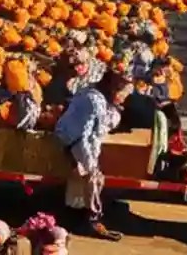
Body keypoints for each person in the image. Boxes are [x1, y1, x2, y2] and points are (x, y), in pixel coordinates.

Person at [54, 73, 131, 240]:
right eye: (124, 94)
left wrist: (115, 108)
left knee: (80, 184)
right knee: (93, 179)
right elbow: (84, 134)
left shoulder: (101, 100)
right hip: (74, 141)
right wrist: (88, 162)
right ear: (114, 89)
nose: (124, 98)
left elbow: (103, 125)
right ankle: (91, 220)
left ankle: (75, 220)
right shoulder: (92, 100)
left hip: (79, 141)